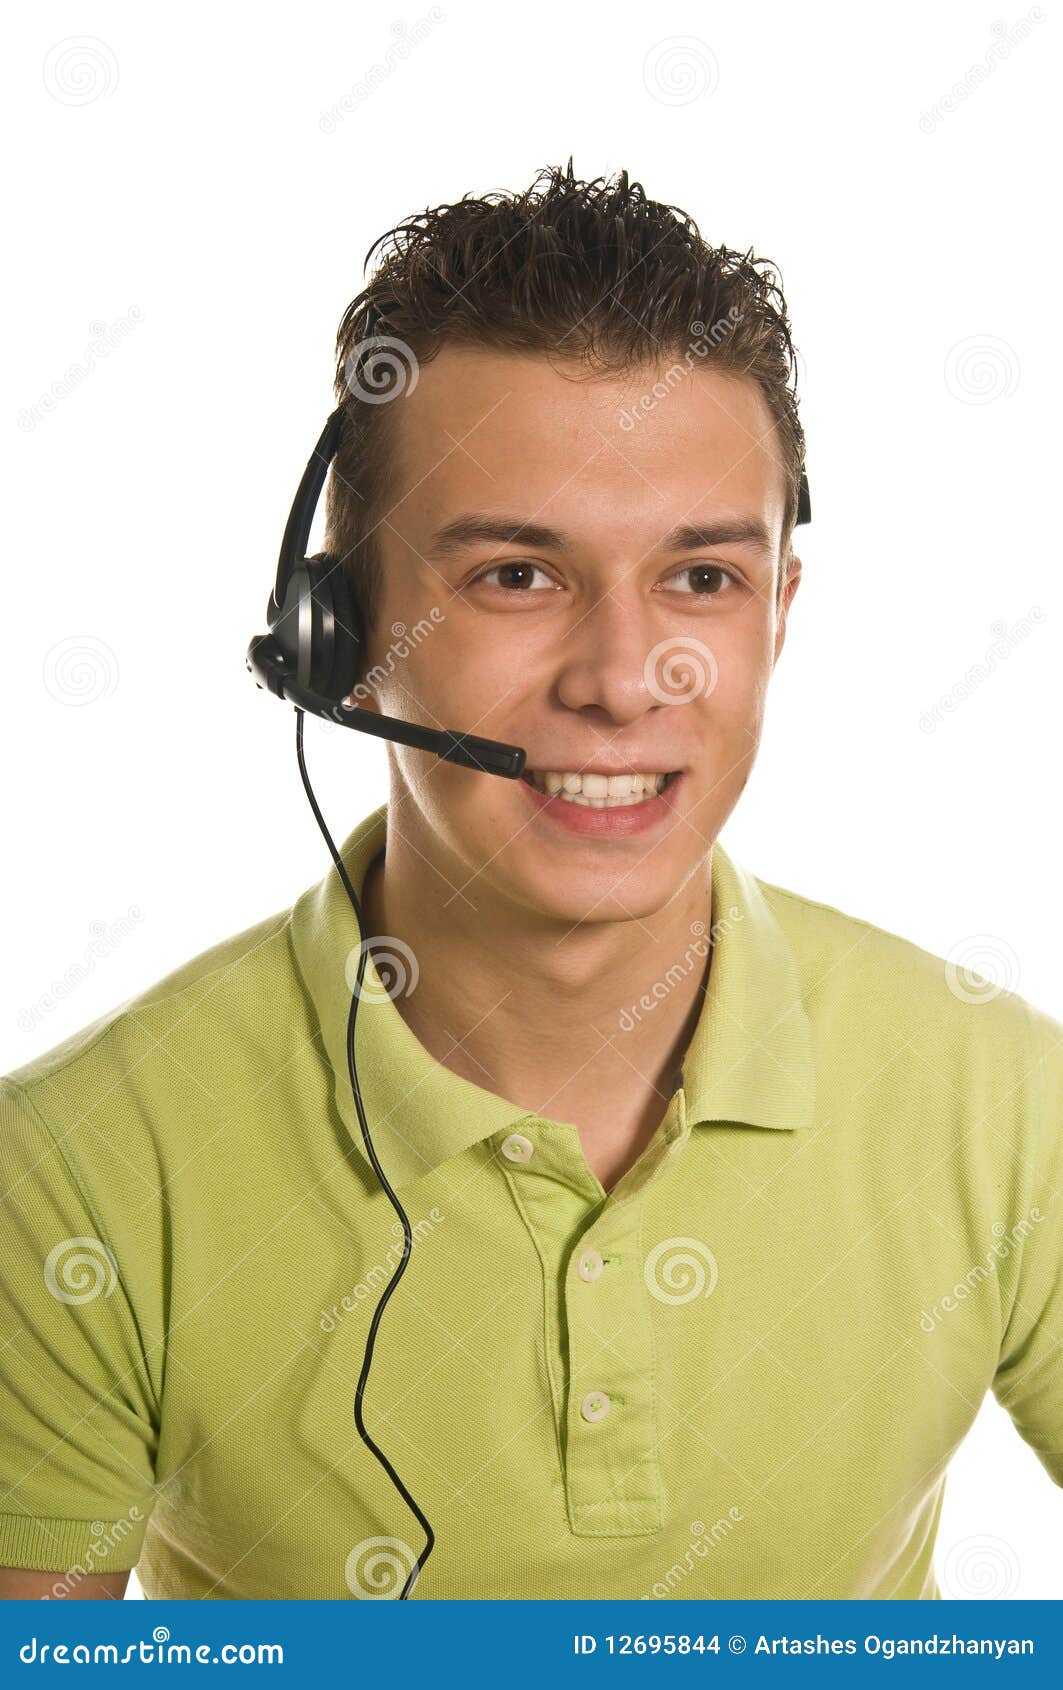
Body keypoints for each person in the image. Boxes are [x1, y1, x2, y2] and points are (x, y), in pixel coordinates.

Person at [2, 163, 1060, 1602]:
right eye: (517, 575)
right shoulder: (68, 1174)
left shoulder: (1008, 1100)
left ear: (780, 617)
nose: (625, 681)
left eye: (701, 580)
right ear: (341, 630)